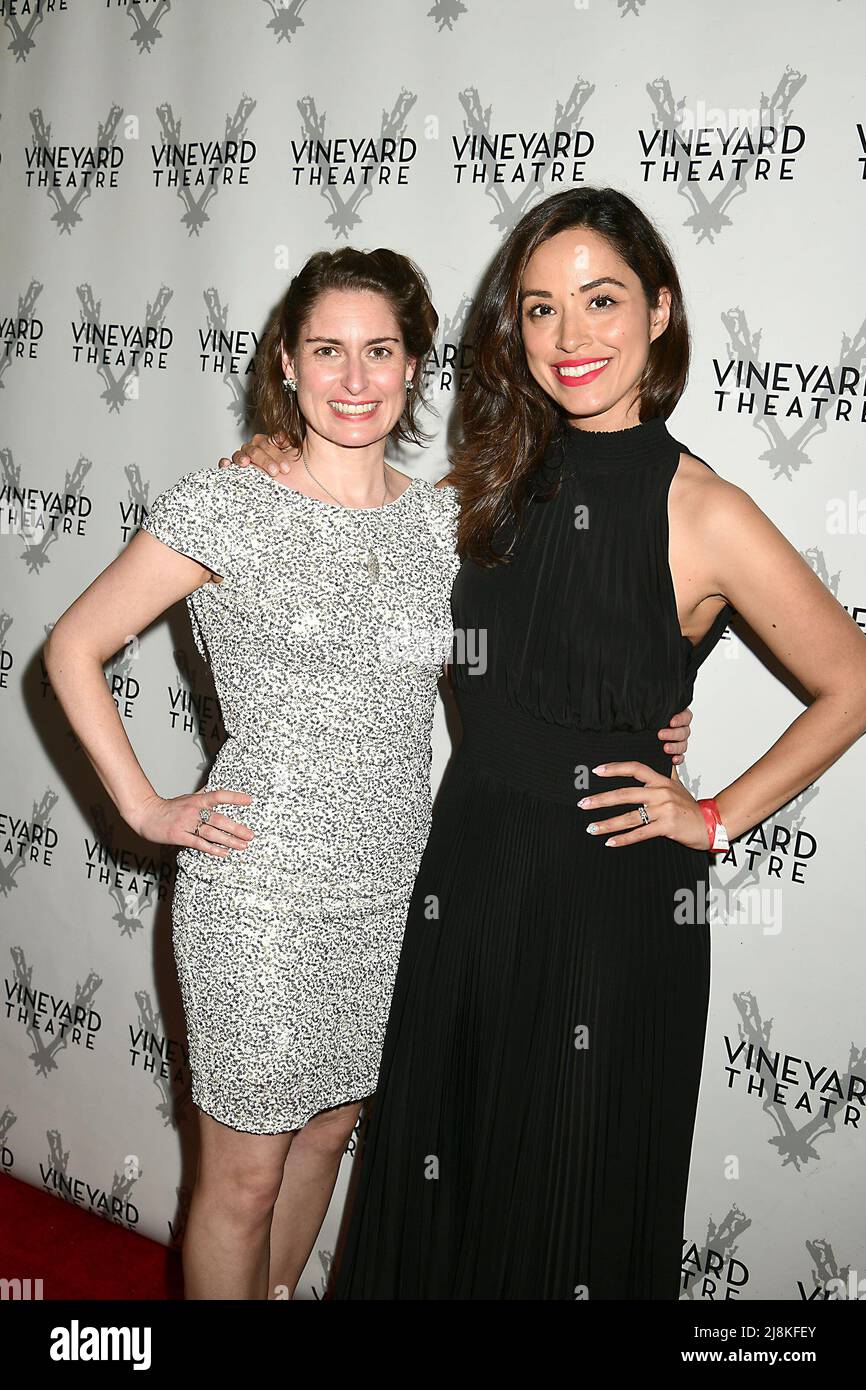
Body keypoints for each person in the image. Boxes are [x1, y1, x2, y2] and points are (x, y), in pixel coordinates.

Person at [230, 187, 866, 1300]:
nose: (569, 338)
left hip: (606, 915)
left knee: (564, 1206)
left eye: (600, 299)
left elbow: (847, 681)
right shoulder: (491, 480)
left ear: (659, 310)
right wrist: (268, 466)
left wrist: (711, 816)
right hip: (467, 879)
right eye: (537, 310)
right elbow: (367, 534)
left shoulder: (700, 507)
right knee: (444, 1186)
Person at [43, 248, 474, 1299]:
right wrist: (143, 807)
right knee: (239, 1178)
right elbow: (72, 647)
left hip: (388, 884)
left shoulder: (443, 521)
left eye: (380, 350)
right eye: (327, 350)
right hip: (260, 893)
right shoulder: (229, 504)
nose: (355, 376)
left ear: (415, 364)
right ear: (287, 362)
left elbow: (495, 688)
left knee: (329, 1133)